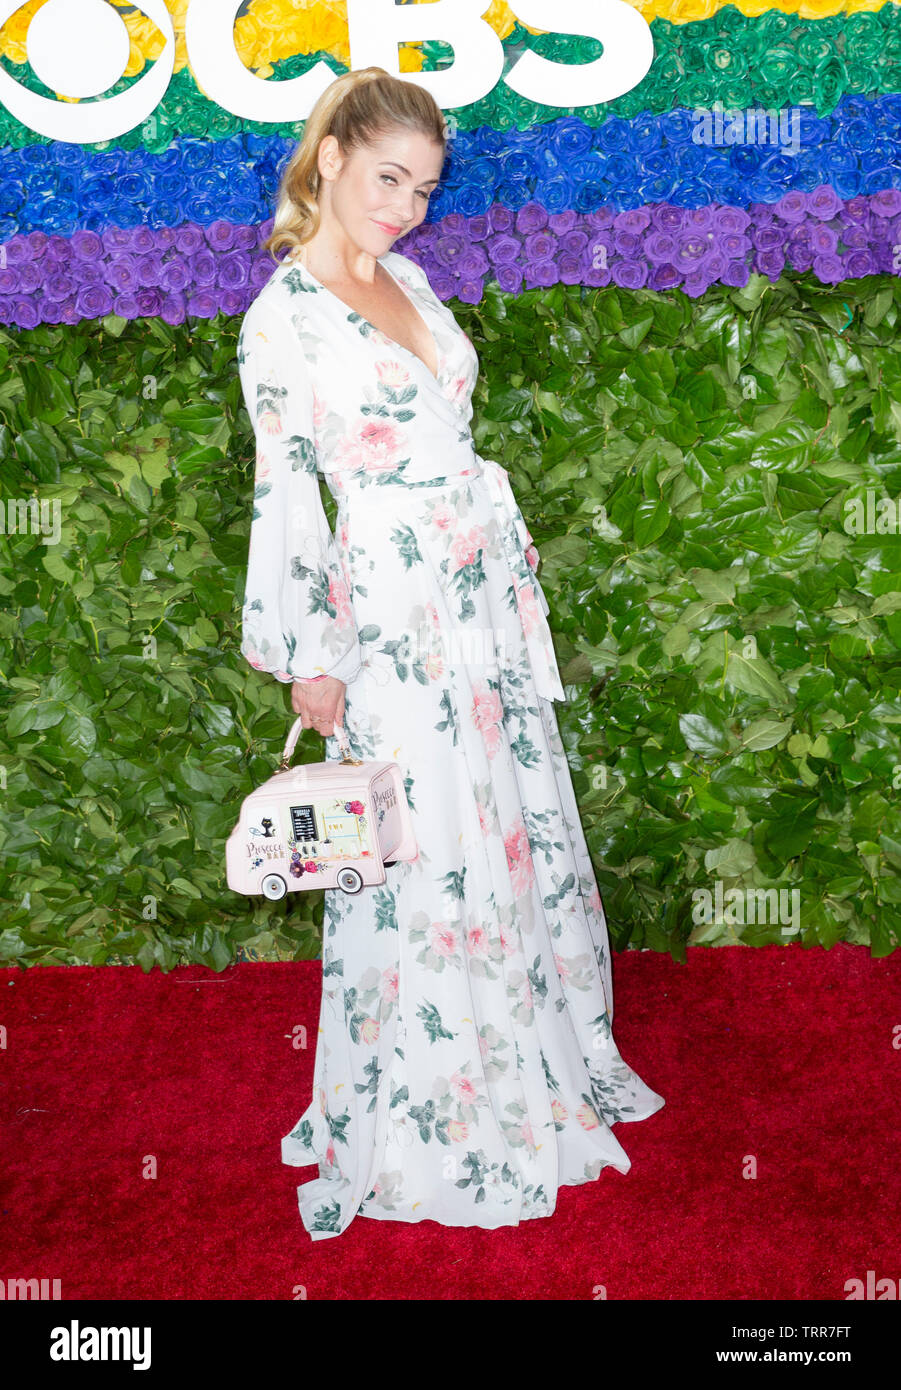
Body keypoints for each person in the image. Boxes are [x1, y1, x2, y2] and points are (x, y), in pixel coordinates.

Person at [237, 66, 664, 1240]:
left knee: (500, 823)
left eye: (423, 188)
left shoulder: (406, 276)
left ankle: (529, 1051)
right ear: (328, 159)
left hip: (469, 598)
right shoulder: (282, 318)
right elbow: (288, 496)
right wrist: (304, 655)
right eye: (387, 179)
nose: (405, 207)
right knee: (417, 841)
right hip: (385, 608)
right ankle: (435, 1110)